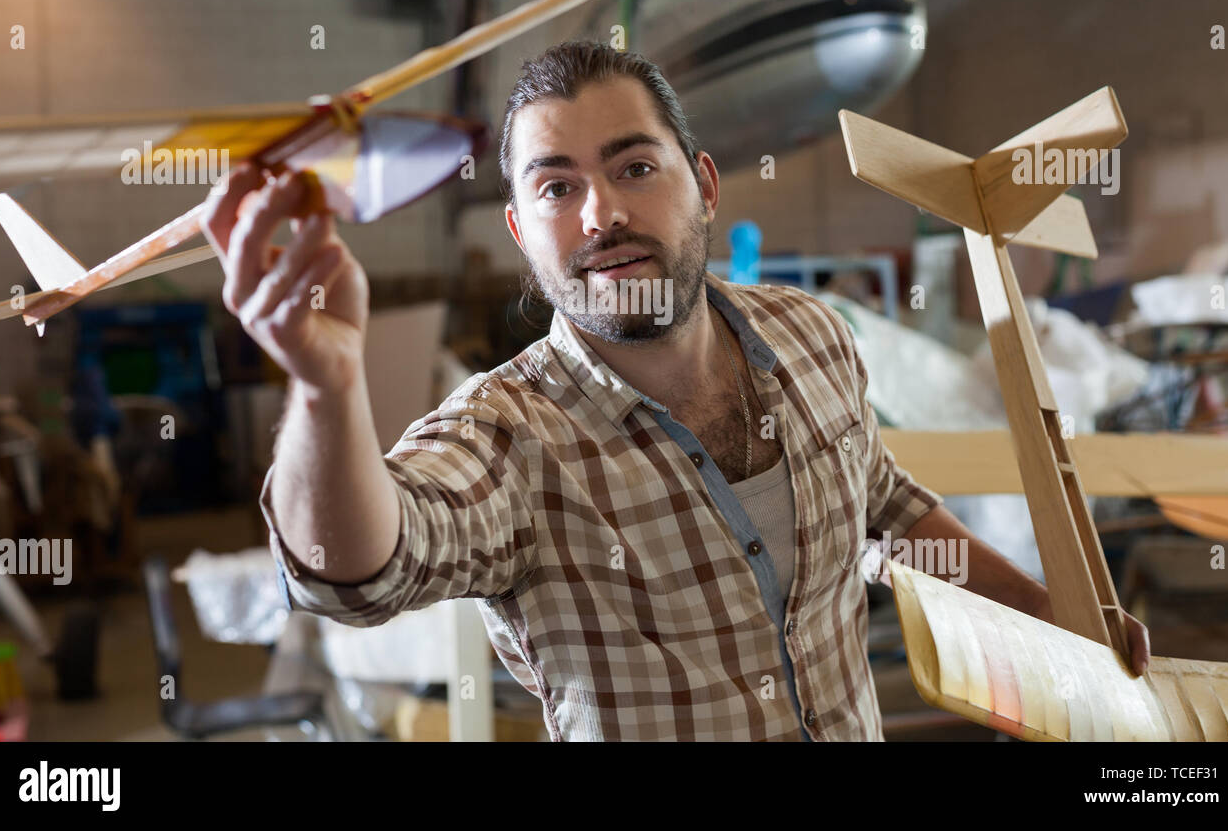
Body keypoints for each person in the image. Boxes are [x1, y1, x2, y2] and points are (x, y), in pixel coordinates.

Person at [201, 40, 1149, 741]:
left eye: (634, 168)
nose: (602, 212)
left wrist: (1051, 615)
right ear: (523, 234)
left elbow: (886, 513)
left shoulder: (814, 338)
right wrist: (325, 390)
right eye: (557, 189)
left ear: (703, 184)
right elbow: (355, 573)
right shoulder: (508, 436)